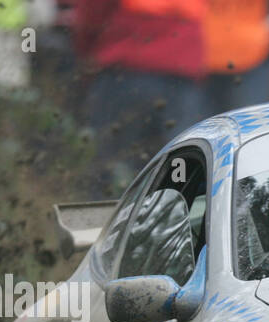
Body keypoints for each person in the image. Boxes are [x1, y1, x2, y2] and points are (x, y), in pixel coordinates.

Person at [72, 0, 206, 197]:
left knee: (106, 165)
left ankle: (103, 224)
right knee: (181, 170)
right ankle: (176, 223)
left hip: (126, 68)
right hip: (181, 72)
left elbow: (92, 14)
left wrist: (86, 54)